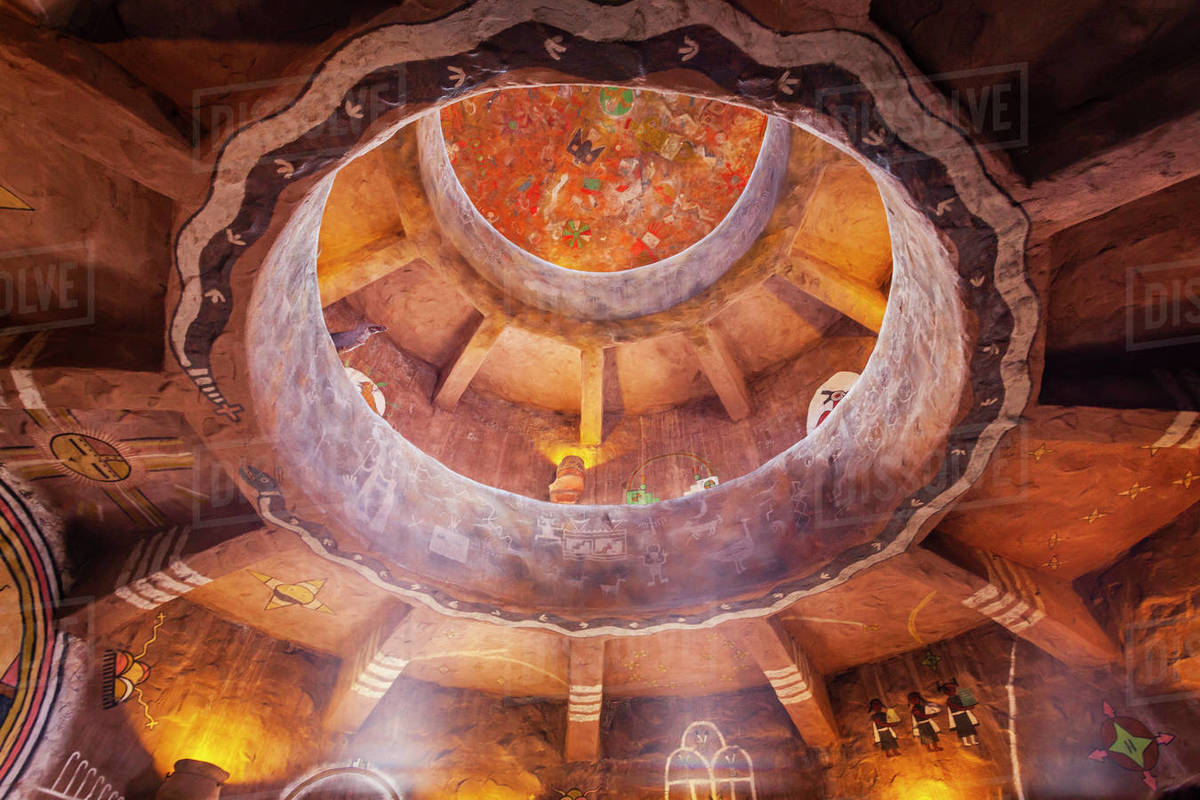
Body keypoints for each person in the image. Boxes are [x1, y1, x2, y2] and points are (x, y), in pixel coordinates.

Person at [938, 679, 980, 747]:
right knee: (962, 729)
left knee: (969, 727)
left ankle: (973, 740)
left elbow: (970, 706)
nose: (953, 690)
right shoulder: (949, 700)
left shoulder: (960, 696)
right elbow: (956, 708)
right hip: (958, 717)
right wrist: (967, 707)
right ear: (946, 692)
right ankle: (965, 742)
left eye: (953, 688)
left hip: (964, 714)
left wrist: (970, 703)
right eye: (950, 689)